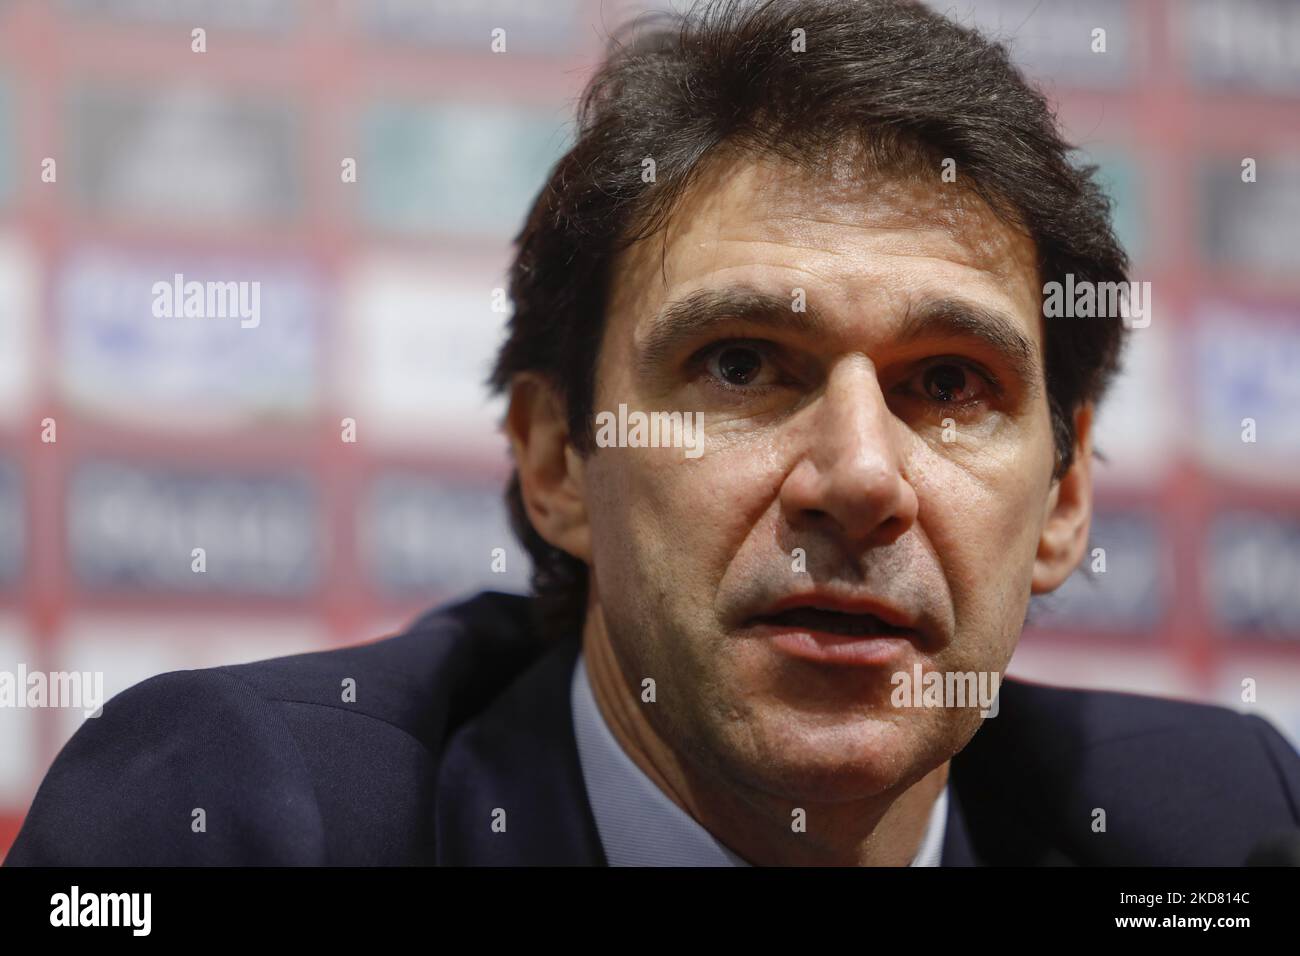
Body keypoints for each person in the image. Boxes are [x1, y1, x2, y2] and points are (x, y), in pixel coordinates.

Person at [7, 0, 1299, 867]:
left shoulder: (1216, 837)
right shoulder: (238, 824)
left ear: (1064, 502)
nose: (858, 477)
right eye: (742, 363)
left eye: (951, 384)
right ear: (559, 461)